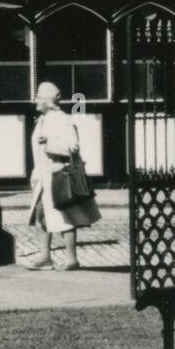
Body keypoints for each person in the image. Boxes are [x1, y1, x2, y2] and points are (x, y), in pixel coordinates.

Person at [22, 81, 101, 271]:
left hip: (58, 175)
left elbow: (73, 146)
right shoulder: (42, 120)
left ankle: (71, 258)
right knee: (41, 214)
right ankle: (44, 256)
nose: (35, 101)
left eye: (39, 97)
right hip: (43, 176)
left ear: (48, 100)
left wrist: (49, 142)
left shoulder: (62, 119)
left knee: (65, 214)